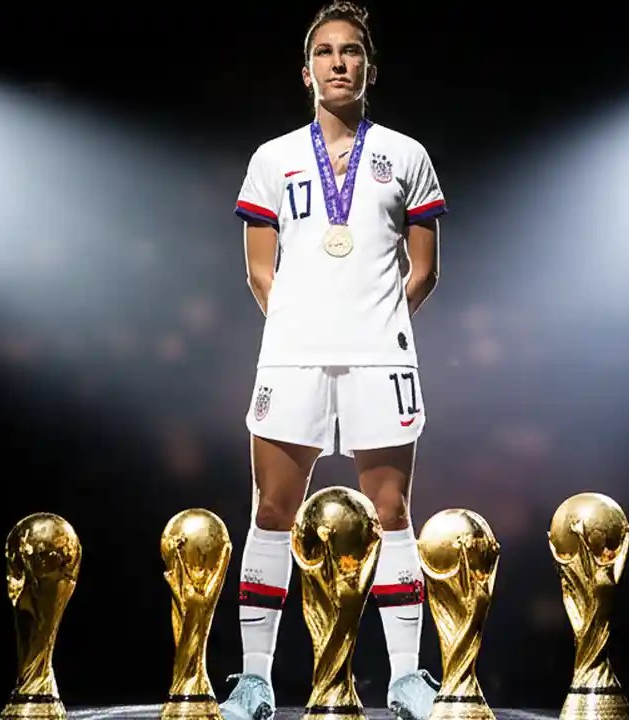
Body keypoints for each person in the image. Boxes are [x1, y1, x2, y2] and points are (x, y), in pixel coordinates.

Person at [222, 3, 447, 720]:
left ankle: (408, 677)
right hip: (292, 357)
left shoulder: (407, 154)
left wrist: (372, 325)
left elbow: (425, 272)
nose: (339, 63)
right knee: (272, 509)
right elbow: (261, 273)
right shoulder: (272, 158)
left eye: (351, 52)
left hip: (381, 356)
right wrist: (302, 326)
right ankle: (255, 679)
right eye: (325, 52)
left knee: (392, 512)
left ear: (369, 69)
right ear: (306, 70)